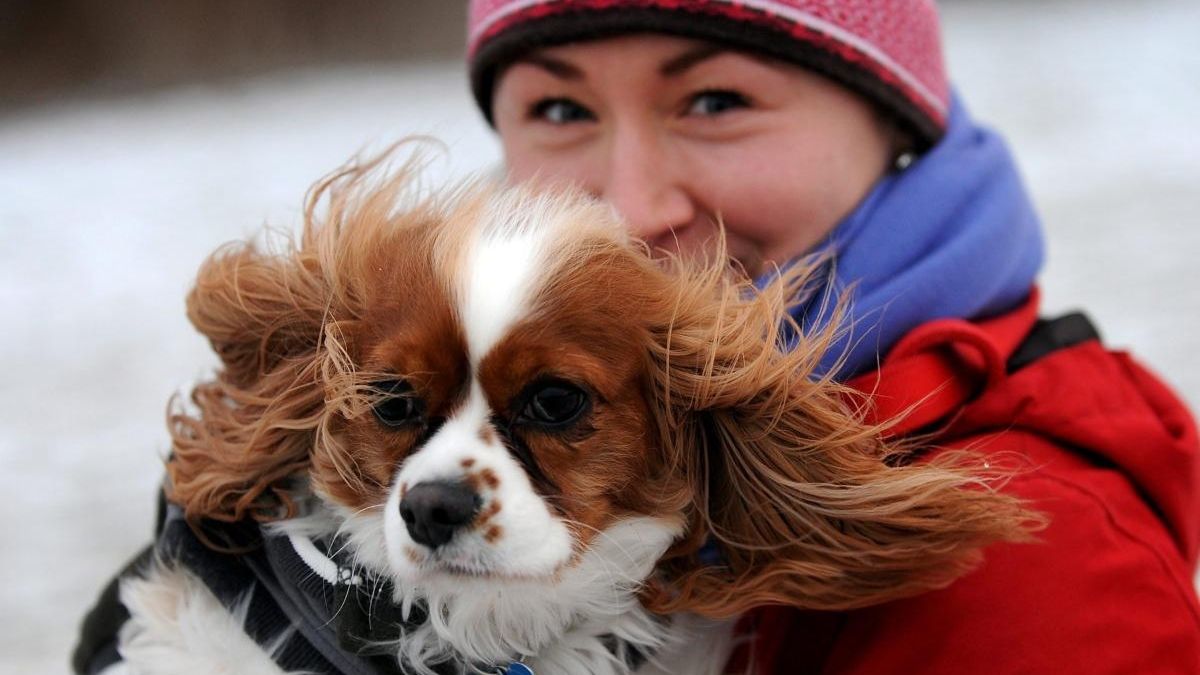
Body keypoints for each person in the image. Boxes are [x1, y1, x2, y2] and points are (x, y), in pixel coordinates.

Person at [466, 0, 1200, 673]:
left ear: (892, 124)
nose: (629, 210)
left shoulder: (1024, 561)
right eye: (560, 109)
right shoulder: (433, 473)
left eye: (717, 102)